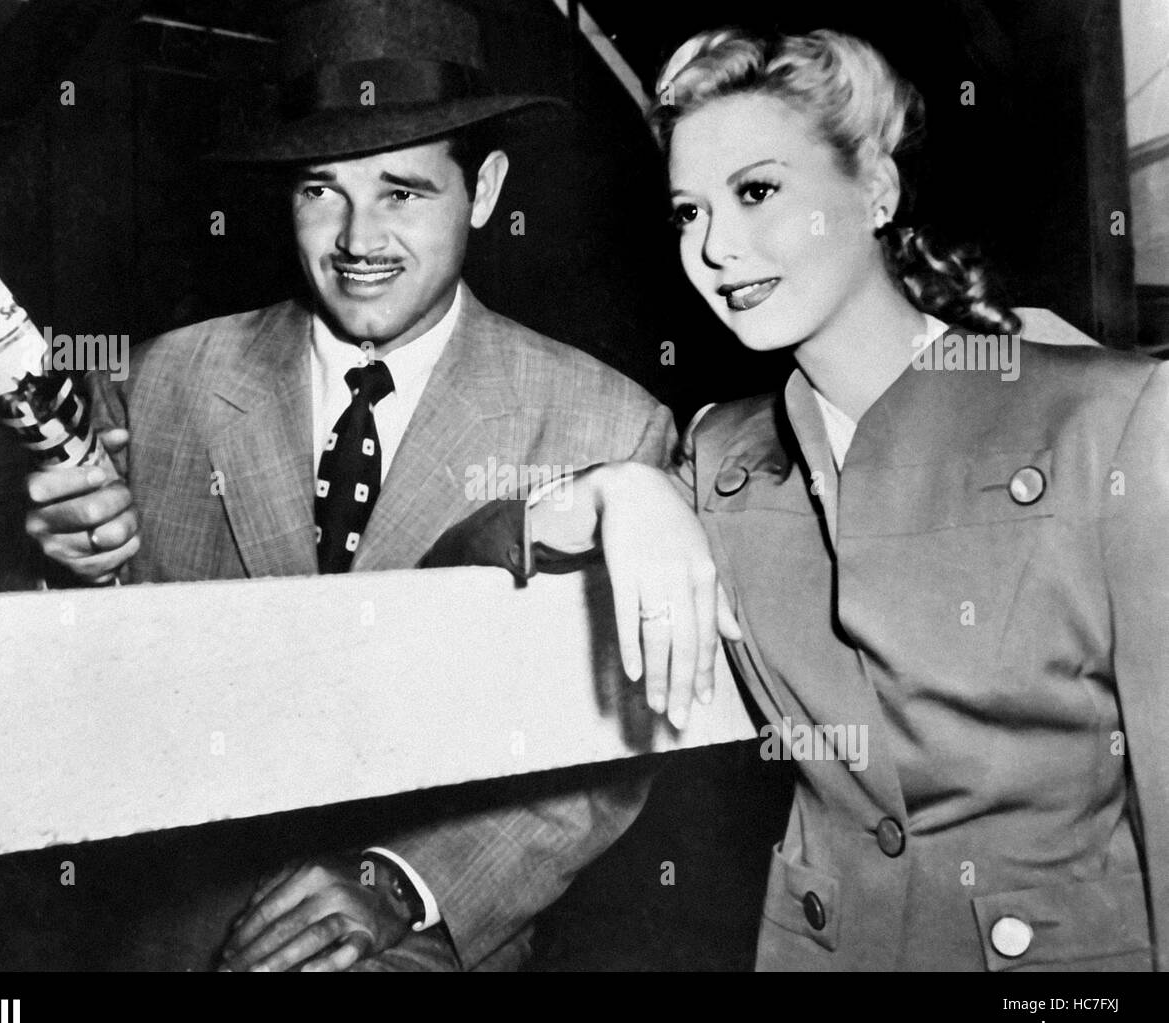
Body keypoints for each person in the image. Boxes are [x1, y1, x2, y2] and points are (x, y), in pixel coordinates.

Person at [474, 27, 1169, 970]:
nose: (715, 248)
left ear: (875, 190)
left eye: (758, 192)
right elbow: (461, 569)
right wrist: (611, 491)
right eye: (688, 212)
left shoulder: (1111, 418)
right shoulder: (723, 452)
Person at [23, 0, 674, 972]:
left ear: (485, 190)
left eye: (402, 192)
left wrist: (391, 888)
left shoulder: (608, 425)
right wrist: (62, 574)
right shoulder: (161, 381)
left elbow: (604, 757)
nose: (355, 237)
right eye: (321, 190)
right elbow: (68, 689)